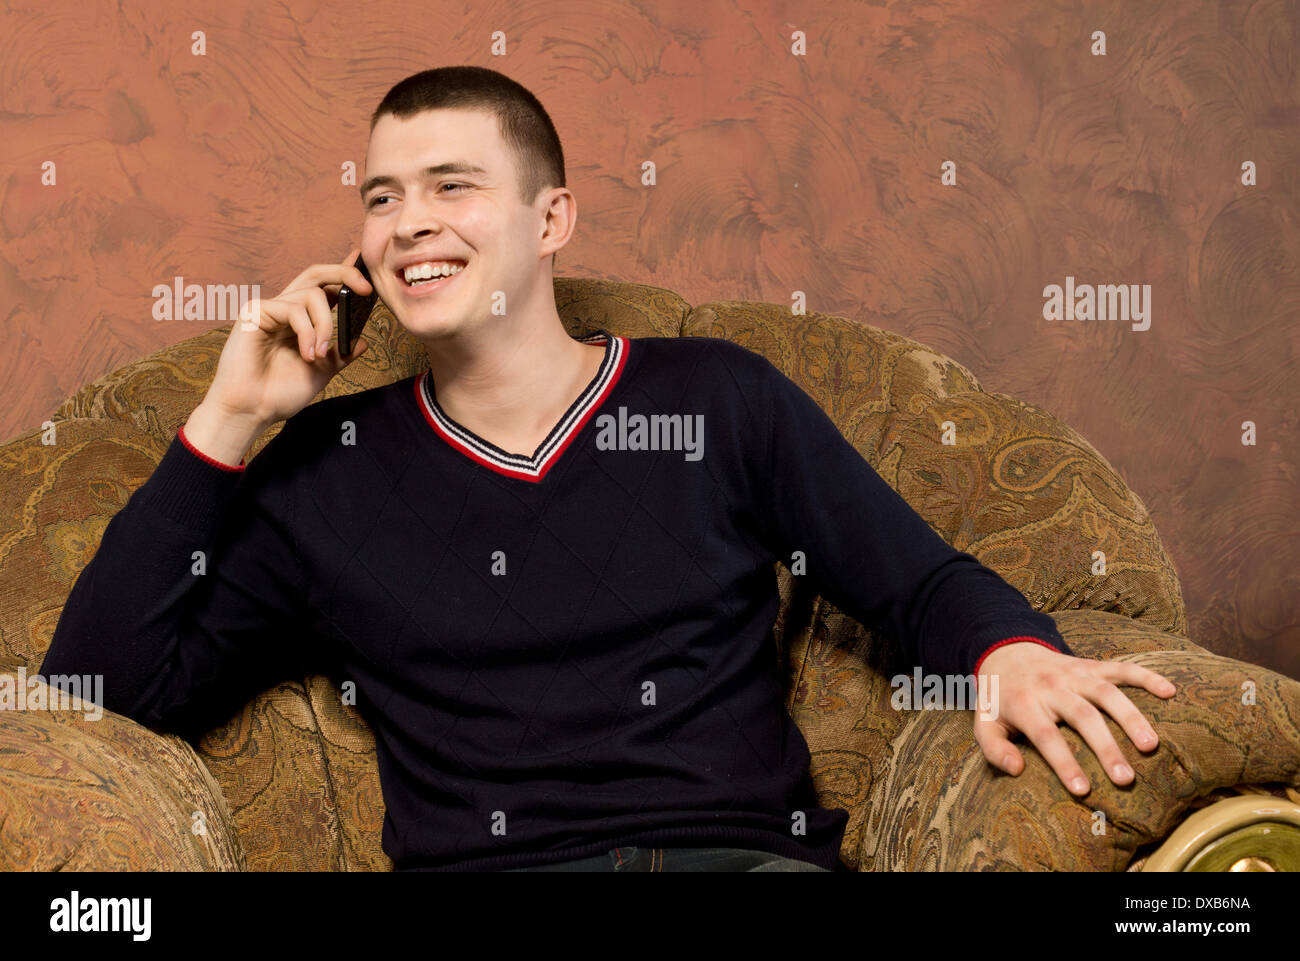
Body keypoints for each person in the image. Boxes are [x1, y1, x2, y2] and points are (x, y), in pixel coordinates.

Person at [41, 66, 1176, 873]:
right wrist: (230, 421)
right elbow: (105, 692)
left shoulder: (716, 398)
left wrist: (1015, 652)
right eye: (380, 197)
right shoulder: (325, 469)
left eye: (451, 186)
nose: (406, 224)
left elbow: (918, 583)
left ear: (551, 219)